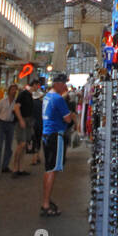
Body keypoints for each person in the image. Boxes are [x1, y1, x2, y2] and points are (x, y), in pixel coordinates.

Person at [40, 72, 73, 218]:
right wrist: (72, 115)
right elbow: (67, 119)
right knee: (53, 169)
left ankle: (47, 200)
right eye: (64, 83)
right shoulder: (58, 99)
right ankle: (46, 204)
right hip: (56, 136)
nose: (65, 85)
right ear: (57, 84)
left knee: (48, 168)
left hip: (46, 134)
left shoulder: (48, 96)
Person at [0, 82, 18, 176]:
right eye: (12, 89)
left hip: (11, 124)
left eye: (15, 90)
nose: (14, 91)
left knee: (8, 146)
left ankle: (5, 166)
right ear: (9, 91)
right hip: (2, 123)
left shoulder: (16, 102)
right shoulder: (3, 101)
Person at [12, 79, 34, 177]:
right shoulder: (23, 94)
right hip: (22, 122)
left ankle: (21, 168)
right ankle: (15, 168)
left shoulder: (30, 96)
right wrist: (20, 120)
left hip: (28, 122)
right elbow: (16, 108)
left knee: (24, 145)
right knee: (21, 144)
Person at [29, 81, 44, 166]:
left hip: (33, 123)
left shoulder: (31, 103)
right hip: (40, 123)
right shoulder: (42, 104)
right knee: (38, 139)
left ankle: (34, 158)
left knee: (33, 140)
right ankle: (37, 156)